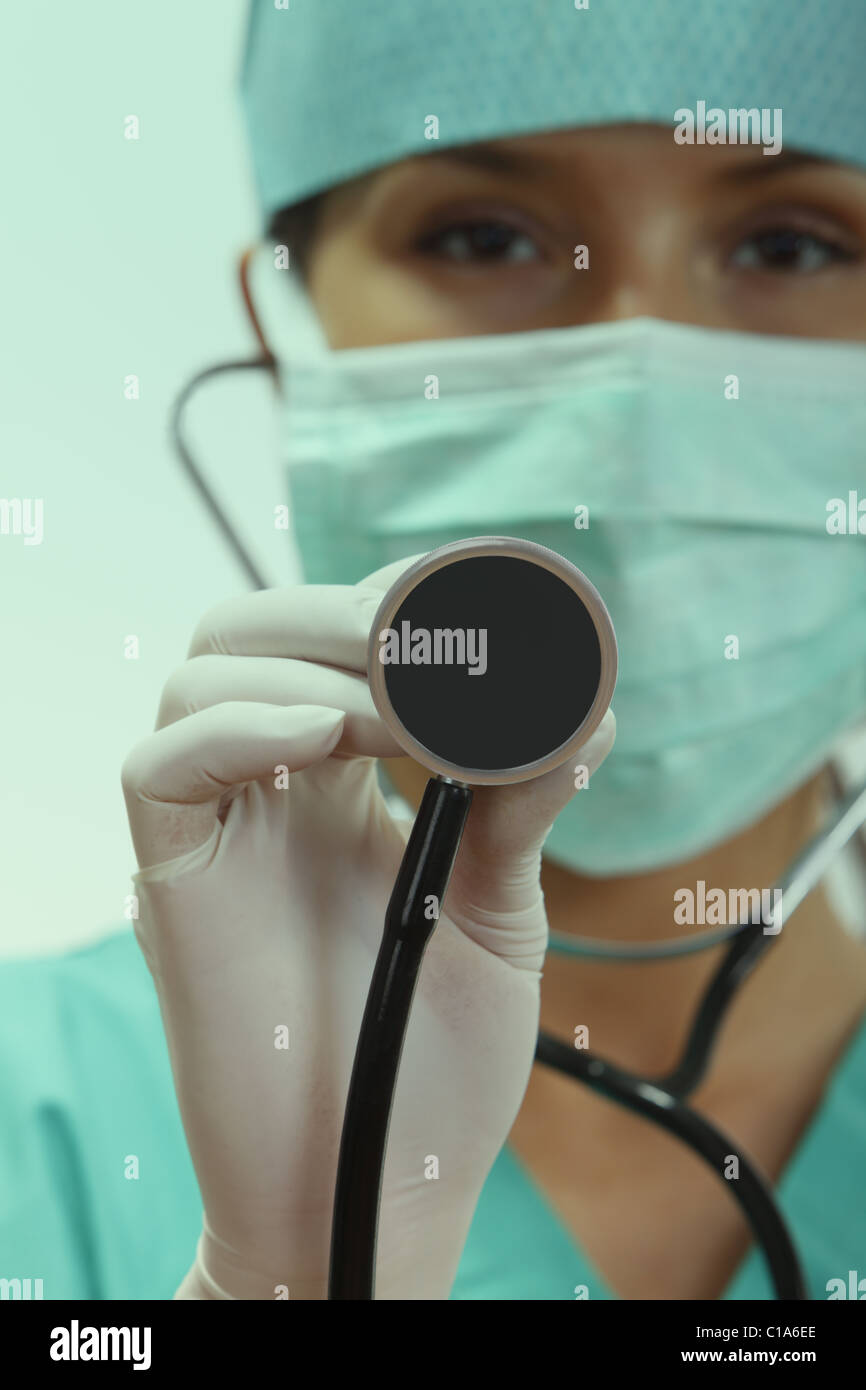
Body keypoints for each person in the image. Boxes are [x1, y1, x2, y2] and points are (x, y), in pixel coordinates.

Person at [2, 0, 866, 1302]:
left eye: (793, 244)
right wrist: (288, 1278)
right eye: (482, 235)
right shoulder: (40, 1121)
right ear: (284, 331)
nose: (630, 383)